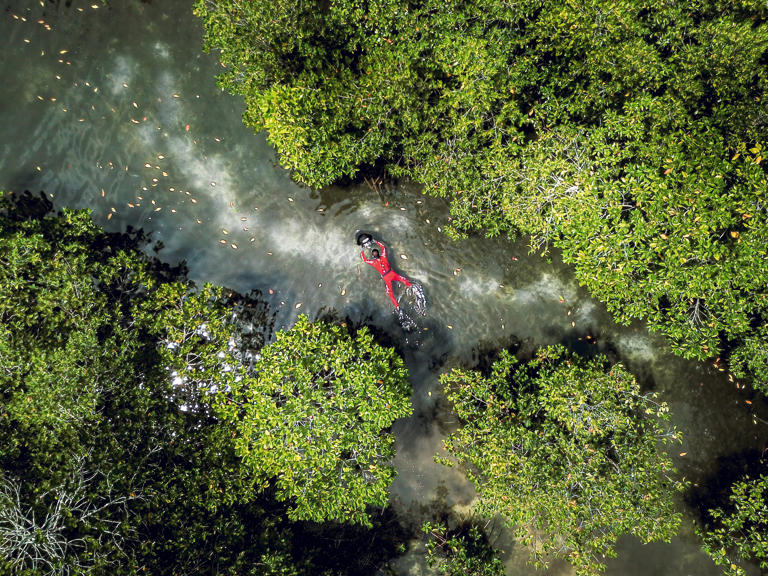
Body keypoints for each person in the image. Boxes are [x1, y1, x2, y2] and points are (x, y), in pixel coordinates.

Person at [361, 240, 412, 308]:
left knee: (390, 294)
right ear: (379, 253)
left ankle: (397, 306)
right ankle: (411, 286)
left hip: (386, 278)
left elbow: (365, 260)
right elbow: (383, 247)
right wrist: (375, 241)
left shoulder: (373, 263)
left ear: (373, 256)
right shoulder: (383, 256)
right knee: (403, 279)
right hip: (392, 273)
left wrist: (362, 250)